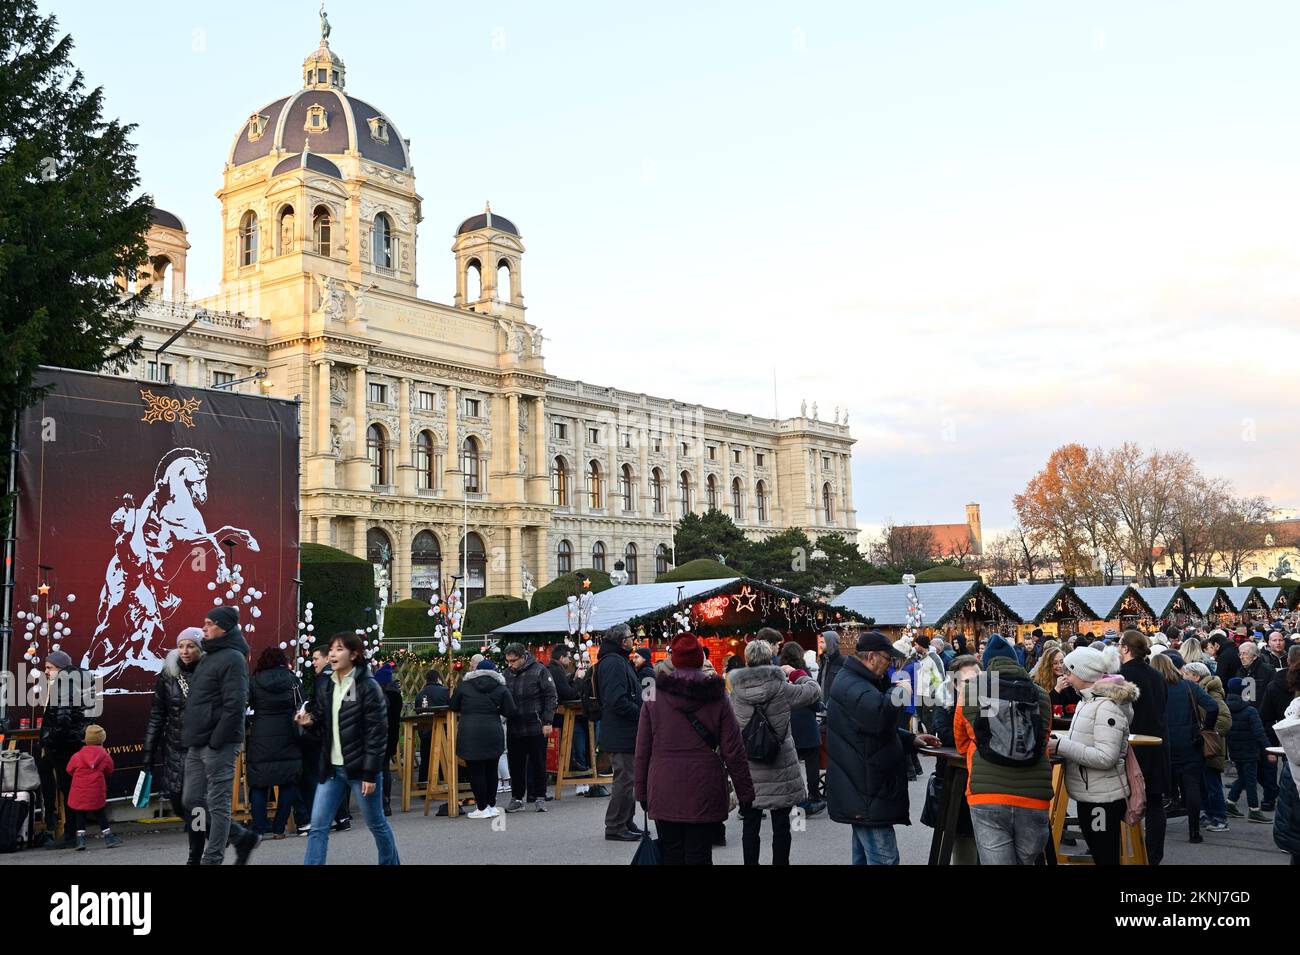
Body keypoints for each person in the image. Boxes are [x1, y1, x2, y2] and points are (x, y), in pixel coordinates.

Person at [634, 633, 756, 865]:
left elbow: (642, 749)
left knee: (671, 854)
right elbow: (734, 749)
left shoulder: (653, 695)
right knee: (699, 853)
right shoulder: (718, 695)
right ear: (701, 658)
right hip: (704, 787)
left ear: (674, 660)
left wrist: (640, 791)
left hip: (664, 785)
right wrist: (745, 792)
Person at [825, 630, 941, 865]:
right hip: (866, 789)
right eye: (888, 659)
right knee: (883, 858)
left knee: (866, 857)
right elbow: (880, 716)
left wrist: (910, 740)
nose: (890, 665)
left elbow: (867, 728)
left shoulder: (857, 682)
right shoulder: (854, 685)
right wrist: (901, 692)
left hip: (865, 787)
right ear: (871, 656)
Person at [294, 633, 400, 864]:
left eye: (339, 649)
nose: (332, 654)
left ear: (354, 655)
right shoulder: (328, 685)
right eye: (331, 649)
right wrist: (309, 722)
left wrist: (371, 774)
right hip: (331, 769)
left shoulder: (367, 686)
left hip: (360, 770)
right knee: (318, 827)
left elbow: (377, 733)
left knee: (376, 823)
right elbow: (323, 723)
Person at [951, 635, 1053, 865]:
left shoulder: (970, 693)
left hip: (987, 794)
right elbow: (1043, 739)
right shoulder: (1042, 696)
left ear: (987, 664)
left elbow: (961, 743)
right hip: (1034, 796)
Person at [729, 635, 822, 864]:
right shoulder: (781, 686)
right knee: (781, 826)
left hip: (749, 767)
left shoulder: (735, 693)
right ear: (770, 659)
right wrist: (795, 673)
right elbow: (813, 691)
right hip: (780, 763)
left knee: (750, 825)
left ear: (747, 661)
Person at [180, 606, 261, 865]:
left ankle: (212, 857)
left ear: (223, 627)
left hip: (219, 743)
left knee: (217, 802)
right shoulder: (209, 656)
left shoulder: (234, 658)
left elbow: (235, 703)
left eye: (209, 623)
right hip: (198, 742)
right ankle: (240, 836)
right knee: (192, 800)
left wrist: (217, 739)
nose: (204, 628)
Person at [1049, 645, 1135, 866]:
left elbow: (1106, 757)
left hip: (1102, 798)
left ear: (1083, 673)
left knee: (1104, 855)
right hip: (1092, 793)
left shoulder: (1105, 705)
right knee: (1101, 853)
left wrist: (1061, 746)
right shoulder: (1088, 701)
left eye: (1069, 670)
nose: (1065, 675)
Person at [142, 628, 206, 862]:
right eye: (181, 646)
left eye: (191, 646)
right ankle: (233, 833)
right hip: (174, 748)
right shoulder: (169, 674)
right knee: (178, 803)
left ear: (200, 648)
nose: (185, 651)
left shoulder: (211, 673)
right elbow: (157, 714)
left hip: (201, 750)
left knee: (195, 805)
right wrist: (148, 750)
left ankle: (195, 855)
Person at [1116, 631, 1172, 862]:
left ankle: (1121, 852)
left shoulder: (1120, 677)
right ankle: (1154, 856)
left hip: (1131, 747)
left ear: (1127, 648)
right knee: (1155, 801)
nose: (1118, 650)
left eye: (1120, 646)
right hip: (1157, 742)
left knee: (1120, 800)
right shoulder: (1157, 675)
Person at [1150, 652, 1216, 845]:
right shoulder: (1189, 686)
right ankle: (1194, 831)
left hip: (1163, 743)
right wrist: (1206, 728)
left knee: (1160, 789)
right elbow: (1212, 707)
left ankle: (1157, 831)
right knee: (1192, 785)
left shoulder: (1154, 690)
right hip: (1190, 742)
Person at [594, 624, 645, 841]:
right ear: (621, 641)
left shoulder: (617, 660)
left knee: (628, 779)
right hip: (621, 730)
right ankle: (615, 825)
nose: (633, 640)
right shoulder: (614, 663)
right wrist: (641, 712)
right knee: (624, 779)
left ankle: (626, 820)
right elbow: (616, 700)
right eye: (630, 637)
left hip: (623, 730)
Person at [246, 647, 303, 839]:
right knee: (288, 783)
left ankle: (259, 829)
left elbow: (245, 705)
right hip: (288, 734)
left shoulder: (254, 682)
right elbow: (302, 705)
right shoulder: (293, 680)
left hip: (261, 735)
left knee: (259, 785)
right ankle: (279, 828)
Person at [450, 659, 515, 818]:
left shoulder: (465, 686)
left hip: (470, 732)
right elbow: (511, 710)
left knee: (475, 770)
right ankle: (492, 805)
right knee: (491, 768)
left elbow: (453, 705)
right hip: (493, 730)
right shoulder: (500, 688)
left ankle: (481, 807)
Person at [931, 655, 980, 864]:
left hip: (984, 777)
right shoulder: (944, 702)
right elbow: (945, 733)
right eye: (968, 681)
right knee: (962, 834)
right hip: (956, 777)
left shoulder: (992, 702)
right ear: (955, 683)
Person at [38, 650, 89, 850]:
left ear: (59, 668)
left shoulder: (64, 683)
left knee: (67, 787)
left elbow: (63, 718)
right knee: (61, 781)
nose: (46, 671)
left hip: (63, 744)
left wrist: (50, 739)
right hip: (68, 741)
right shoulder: (72, 681)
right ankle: (60, 824)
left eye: (49, 667)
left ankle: (68, 831)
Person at [501, 643, 557, 813]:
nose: (510, 664)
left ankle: (540, 796)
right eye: (508, 661)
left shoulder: (539, 670)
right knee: (515, 764)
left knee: (538, 762)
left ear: (523, 657)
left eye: (513, 660)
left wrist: (547, 721)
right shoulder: (506, 674)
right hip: (514, 726)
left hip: (536, 725)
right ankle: (517, 797)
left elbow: (551, 696)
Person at [299, 646, 350, 833]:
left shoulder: (322, 680)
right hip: (340, 732)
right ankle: (342, 817)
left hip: (321, 734)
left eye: (315, 659)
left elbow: (320, 709)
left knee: (317, 776)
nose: (313, 663)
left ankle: (323, 818)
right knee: (336, 774)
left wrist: (309, 719)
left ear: (327, 659)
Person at [1182, 661, 1232, 832]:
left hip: (1210, 747)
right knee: (1204, 782)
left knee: (1212, 783)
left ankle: (1220, 817)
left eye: (1186, 675)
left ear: (1196, 677)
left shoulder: (1211, 693)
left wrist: (1206, 732)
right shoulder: (1197, 691)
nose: (1183, 677)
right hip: (1203, 747)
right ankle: (1210, 814)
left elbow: (1225, 720)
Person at [778, 640, 825, 815]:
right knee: (812, 762)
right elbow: (814, 701)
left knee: (791, 764)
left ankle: (792, 798)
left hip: (786, 725)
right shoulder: (802, 674)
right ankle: (813, 795)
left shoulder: (778, 672)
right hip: (806, 724)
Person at [64, 724, 121, 850]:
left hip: (79, 792)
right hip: (96, 792)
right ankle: (108, 838)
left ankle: (81, 841)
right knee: (100, 814)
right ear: (101, 739)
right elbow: (110, 770)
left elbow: (69, 770)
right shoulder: (105, 756)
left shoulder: (77, 756)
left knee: (80, 815)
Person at [1223, 677, 1271, 824]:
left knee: (1243, 777)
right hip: (1250, 750)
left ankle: (1230, 802)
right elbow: (1259, 733)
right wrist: (1269, 749)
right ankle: (1254, 810)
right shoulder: (1250, 710)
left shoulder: (1226, 707)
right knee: (1250, 780)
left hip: (1235, 749)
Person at [1238, 641, 1279, 810]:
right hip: (1251, 723)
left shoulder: (1267, 671)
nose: (1241, 657)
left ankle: (1269, 797)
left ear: (1254, 655)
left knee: (1268, 761)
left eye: (1244, 654)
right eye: (1240, 654)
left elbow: (1273, 697)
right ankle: (1273, 790)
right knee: (1257, 763)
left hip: (1267, 723)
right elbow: (1246, 699)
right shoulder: (1242, 672)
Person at [547, 645, 588, 773]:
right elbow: (568, 693)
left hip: (555, 713)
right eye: (568, 658)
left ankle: (574, 760)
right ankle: (574, 760)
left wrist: (573, 678)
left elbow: (562, 685)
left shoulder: (553, 669)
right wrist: (580, 680)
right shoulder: (556, 670)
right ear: (561, 657)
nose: (570, 660)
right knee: (578, 730)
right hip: (560, 714)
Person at [373, 664, 403, 816]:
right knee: (385, 769)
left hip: (379, 736)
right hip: (392, 736)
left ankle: (379, 803)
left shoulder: (380, 696)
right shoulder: (396, 695)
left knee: (377, 770)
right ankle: (387, 802)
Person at [414, 669, 450, 785]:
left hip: (425, 731)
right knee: (443, 757)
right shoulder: (445, 691)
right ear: (438, 678)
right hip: (443, 731)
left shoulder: (420, 694)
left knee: (425, 759)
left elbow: (417, 712)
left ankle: (423, 785)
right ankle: (444, 782)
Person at [818, 630, 845, 702]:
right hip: (822, 707)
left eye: (822, 642)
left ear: (830, 643)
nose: (820, 645)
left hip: (835, 708)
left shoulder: (842, 662)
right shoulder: (823, 661)